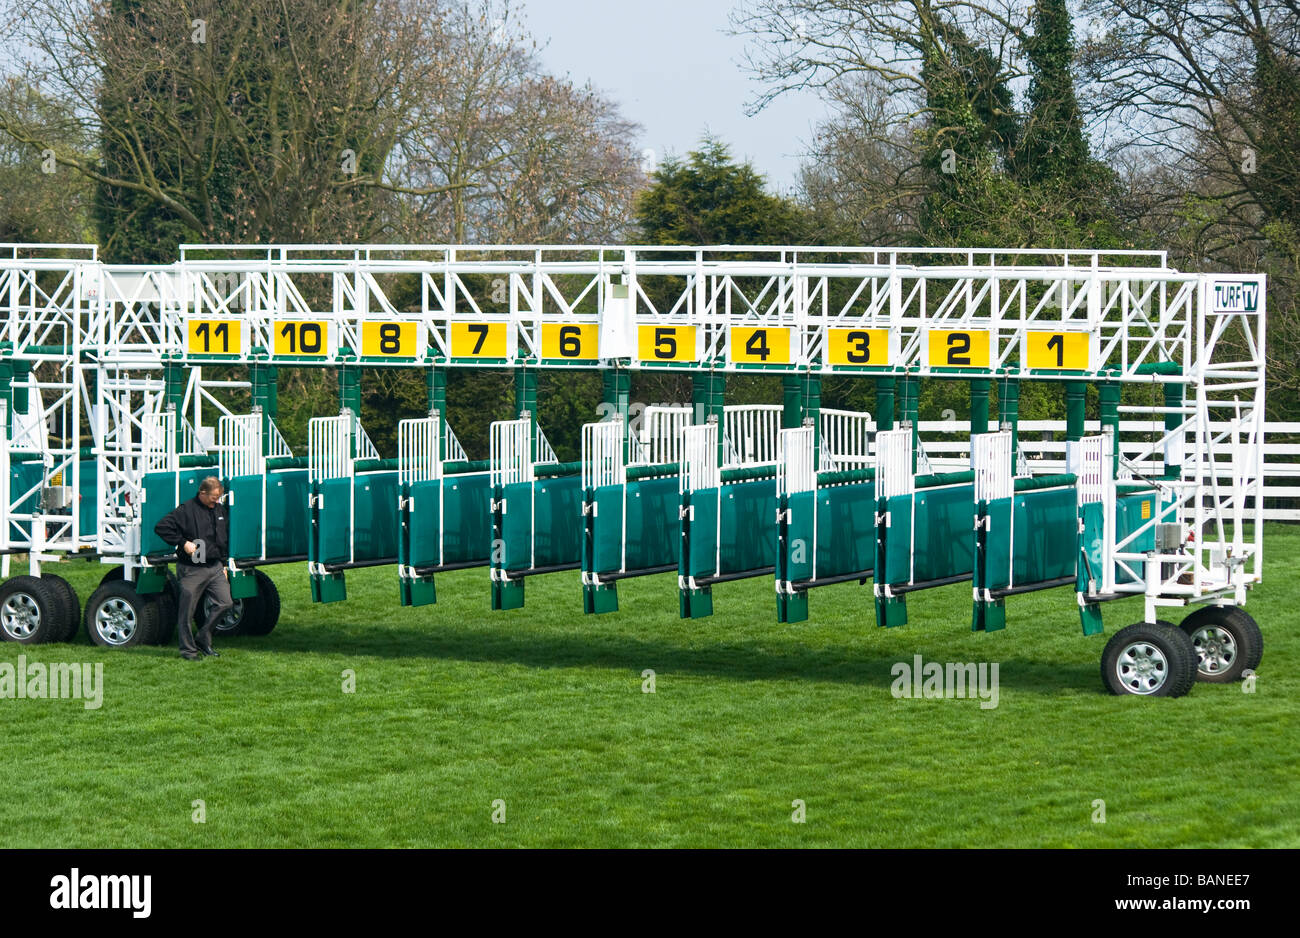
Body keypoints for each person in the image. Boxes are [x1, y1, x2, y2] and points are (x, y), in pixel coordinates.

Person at [152, 476, 233, 660]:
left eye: (219, 496)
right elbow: (161, 527)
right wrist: (182, 543)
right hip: (191, 569)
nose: (216, 500)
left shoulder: (219, 509)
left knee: (225, 603)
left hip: (215, 567)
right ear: (202, 493)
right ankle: (188, 651)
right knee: (186, 613)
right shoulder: (186, 510)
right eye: (213, 497)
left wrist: (225, 564)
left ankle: (203, 637)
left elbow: (223, 539)